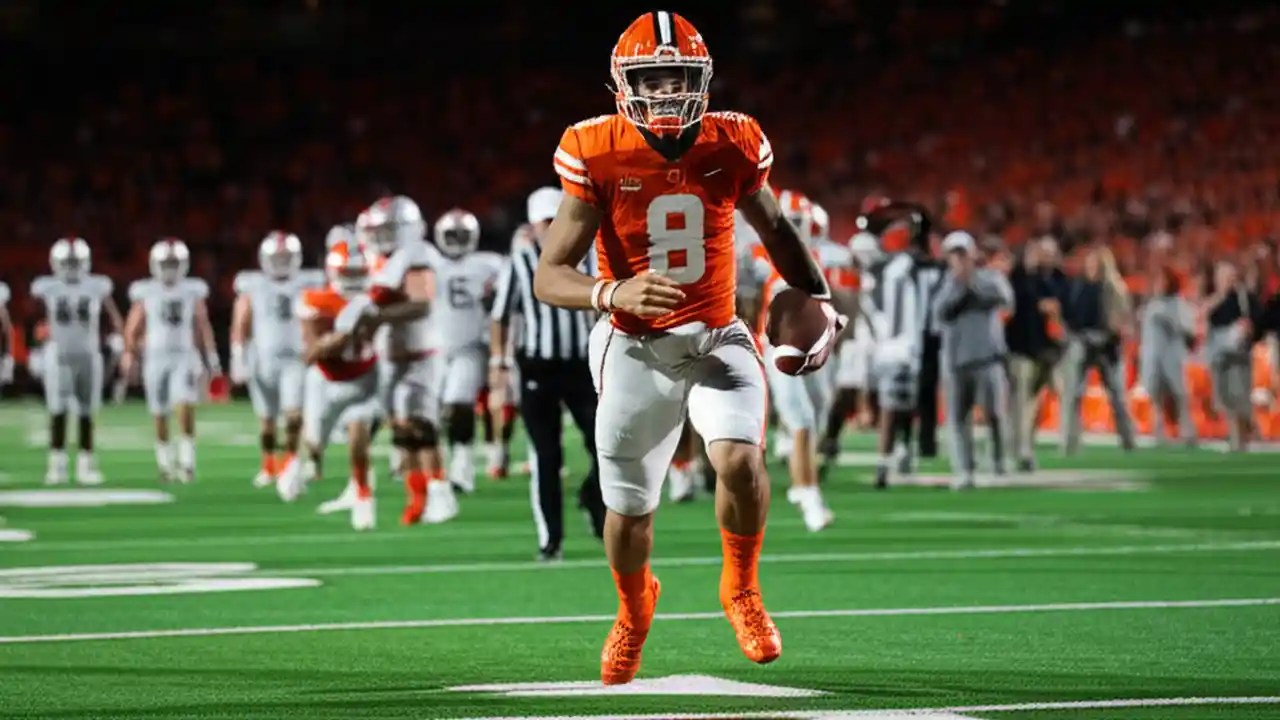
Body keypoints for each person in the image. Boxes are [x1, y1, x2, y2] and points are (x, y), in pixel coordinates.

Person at [533, 11, 842, 685]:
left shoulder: (734, 140)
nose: (668, 90)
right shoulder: (595, 148)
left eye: (679, 76)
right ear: (624, 84)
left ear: (701, 78)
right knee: (629, 512)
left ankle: (742, 587)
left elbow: (779, 228)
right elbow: (549, 274)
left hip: (718, 334)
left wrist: (820, 298)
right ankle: (634, 608)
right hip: (635, 346)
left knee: (738, 461)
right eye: (653, 77)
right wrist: (611, 294)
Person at [490, 187, 606, 561]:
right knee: (546, 455)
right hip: (538, 366)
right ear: (534, 226)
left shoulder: (590, 258)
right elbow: (501, 316)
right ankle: (551, 538)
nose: (555, 228)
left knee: (605, 447)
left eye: (560, 219)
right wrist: (499, 364)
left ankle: (594, 500)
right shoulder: (521, 264)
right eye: (547, 222)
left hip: (581, 365)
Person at [351, 196, 453, 524]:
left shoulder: (417, 255)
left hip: (421, 352)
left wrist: (376, 315)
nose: (382, 237)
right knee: (402, 432)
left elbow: (421, 304)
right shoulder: (382, 259)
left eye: (390, 229)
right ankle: (417, 496)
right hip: (392, 355)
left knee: (423, 427)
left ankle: (440, 492)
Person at [229, 231, 324, 491]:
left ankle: (290, 464)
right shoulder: (253, 284)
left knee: (294, 416)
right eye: (277, 258)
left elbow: (319, 317)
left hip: (294, 359)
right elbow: (242, 319)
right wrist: (237, 354)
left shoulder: (309, 282)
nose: (281, 263)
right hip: (262, 359)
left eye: (286, 257)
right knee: (267, 421)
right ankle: (269, 464)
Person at [298, 239, 382, 530]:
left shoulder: (377, 298)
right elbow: (310, 354)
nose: (354, 281)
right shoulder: (317, 302)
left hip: (363, 376)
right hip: (326, 379)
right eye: (348, 274)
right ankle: (312, 461)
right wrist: (337, 338)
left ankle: (363, 495)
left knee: (358, 432)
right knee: (315, 441)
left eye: (359, 274)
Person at [122, 239, 220, 483]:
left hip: (183, 356)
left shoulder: (191, 290)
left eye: (174, 263)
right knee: (159, 412)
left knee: (185, 404)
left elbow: (201, 324)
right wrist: (131, 353)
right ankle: (164, 462)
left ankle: (187, 460)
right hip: (155, 357)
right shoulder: (146, 291)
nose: (169, 268)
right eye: (165, 263)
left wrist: (211, 357)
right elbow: (133, 327)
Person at [30, 238, 124, 486]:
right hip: (58, 354)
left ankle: (85, 464)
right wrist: (36, 345)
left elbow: (112, 315)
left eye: (75, 262)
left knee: (86, 411)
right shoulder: (47, 287)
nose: (71, 267)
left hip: (88, 354)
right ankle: (57, 463)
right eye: (67, 262)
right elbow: (35, 318)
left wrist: (116, 338)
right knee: (58, 409)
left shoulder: (96, 286)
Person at [426, 208, 505, 494]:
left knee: (459, 404)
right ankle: (435, 465)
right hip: (434, 350)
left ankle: (462, 465)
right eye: (452, 235)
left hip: (470, 347)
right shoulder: (430, 264)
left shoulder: (489, 265)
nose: (457, 240)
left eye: (462, 235)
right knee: (433, 412)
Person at [932, 231, 1013, 490]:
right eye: (954, 255)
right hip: (956, 361)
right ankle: (964, 469)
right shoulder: (944, 284)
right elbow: (939, 314)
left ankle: (999, 460)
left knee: (995, 414)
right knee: (958, 419)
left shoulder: (990, 278)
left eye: (962, 254)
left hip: (987, 358)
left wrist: (972, 286)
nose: (959, 260)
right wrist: (960, 289)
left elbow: (1006, 301)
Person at [864, 202, 932, 489]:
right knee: (894, 406)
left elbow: (868, 303)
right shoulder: (910, 268)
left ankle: (899, 452)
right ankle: (886, 460)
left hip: (891, 345)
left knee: (901, 405)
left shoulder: (885, 268)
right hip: (901, 345)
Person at [1060, 246, 1136, 454]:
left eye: (1096, 265)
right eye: (1090, 264)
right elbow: (1071, 315)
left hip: (1107, 346)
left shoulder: (1114, 288)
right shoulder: (1079, 287)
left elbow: (1122, 319)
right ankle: (1069, 442)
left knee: (1117, 396)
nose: (1092, 268)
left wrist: (1113, 332)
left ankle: (1128, 440)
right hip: (1082, 341)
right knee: (1073, 394)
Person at [1005, 236, 1067, 472]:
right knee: (1021, 401)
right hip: (1021, 348)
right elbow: (1017, 302)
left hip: (1046, 349)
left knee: (1035, 403)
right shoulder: (1018, 278)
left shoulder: (1054, 279)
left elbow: (1061, 304)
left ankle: (1025, 445)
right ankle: (1020, 450)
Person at [1138, 267, 1197, 446]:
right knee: (1155, 395)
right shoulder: (1152, 305)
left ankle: (1188, 432)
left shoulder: (1179, 304)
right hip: (1152, 355)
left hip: (1172, 356)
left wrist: (1171, 321)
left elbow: (1189, 330)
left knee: (1179, 395)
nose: (1158, 285)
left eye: (1162, 280)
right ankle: (1159, 432)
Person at [1203, 260, 1258, 452]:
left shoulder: (1244, 299)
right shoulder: (1215, 300)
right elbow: (1202, 316)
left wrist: (1249, 329)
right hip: (1219, 355)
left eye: (1228, 276)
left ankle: (1238, 440)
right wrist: (1219, 296)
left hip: (1238, 356)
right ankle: (1244, 430)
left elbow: (1256, 322)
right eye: (1221, 277)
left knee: (1238, 397)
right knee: (1223, 398)